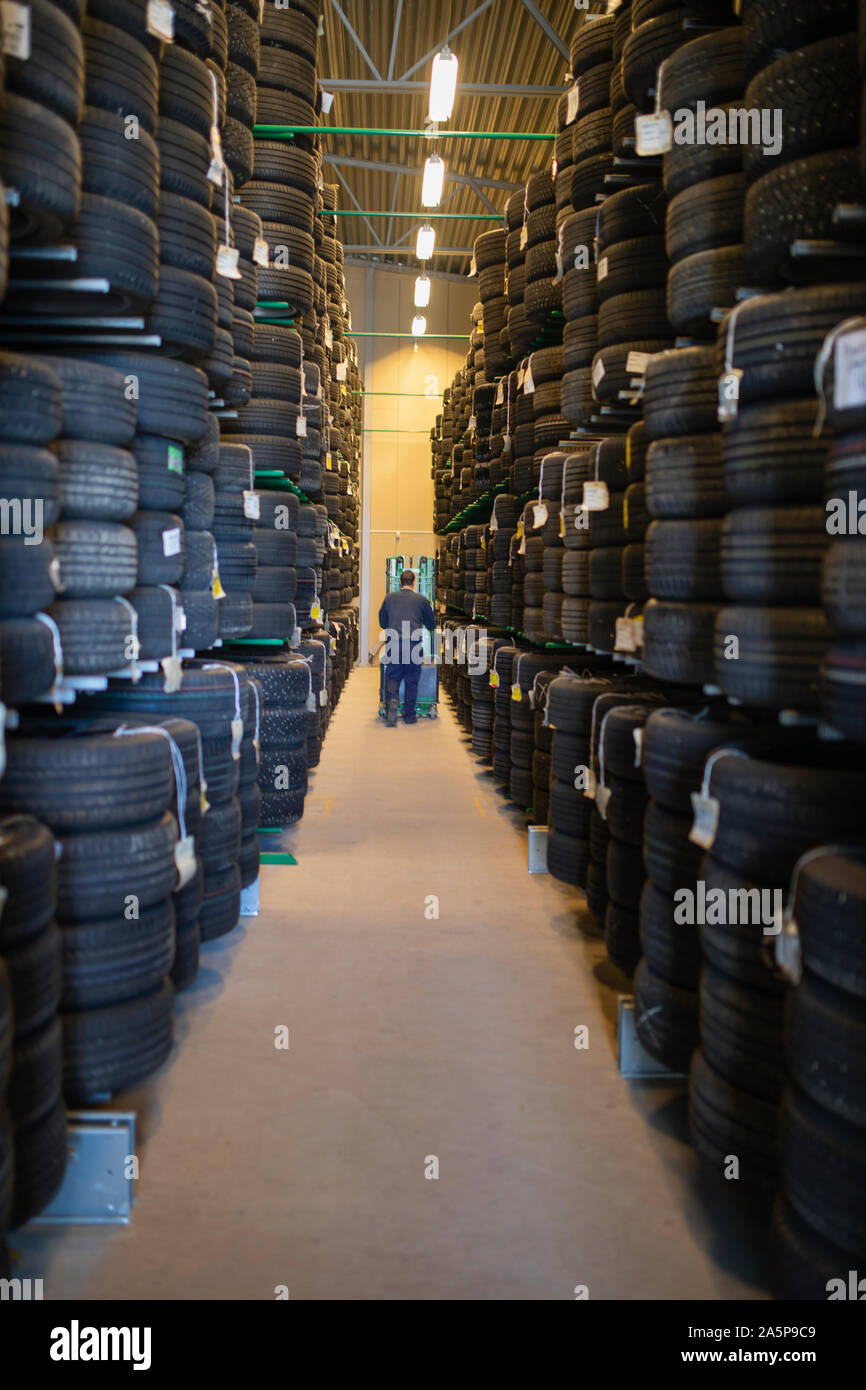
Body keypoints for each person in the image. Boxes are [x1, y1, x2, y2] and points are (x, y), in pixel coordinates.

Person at [378, 569, 436, 726]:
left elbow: (382, 622)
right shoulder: (422, 600)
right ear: (414, 583)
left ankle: (392, 706)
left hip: (395, 643)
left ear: (400, 582)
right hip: (413, 644)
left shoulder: (389, 598)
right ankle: (409, 715)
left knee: (393, 677)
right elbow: (431, 624)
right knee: (412, 680)